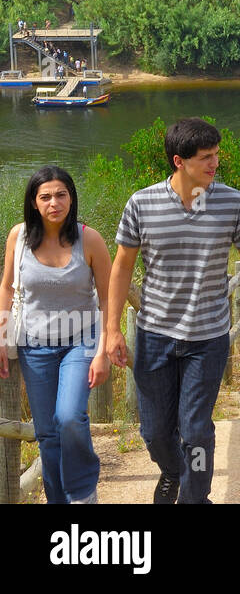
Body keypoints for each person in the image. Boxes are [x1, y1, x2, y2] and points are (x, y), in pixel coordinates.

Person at [103, 118, 240, 504]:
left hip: (207, 337)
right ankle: (173, 472)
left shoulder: (233, 202)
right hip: (153, 336)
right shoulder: (141, 204)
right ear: (179, 161)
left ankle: (194, 497)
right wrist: (112, 330)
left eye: (216, 155)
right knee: (154, 432)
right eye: (205, 158)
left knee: (195, 429)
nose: (215, 164)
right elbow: (121, 267)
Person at [0, 167, 112, 504]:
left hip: (80, 341)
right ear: (34, 202)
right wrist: (2, 337)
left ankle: (82, 492)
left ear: (71, 198)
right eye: (45, 196)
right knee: (47, 433)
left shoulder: (88, 239)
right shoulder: (18, 237)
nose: (54, 202)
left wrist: (104, 349)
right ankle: (58, 501)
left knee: (68, 417)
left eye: (61, 194)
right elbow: (6, 287)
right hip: (35, 345)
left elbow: (108, 297)